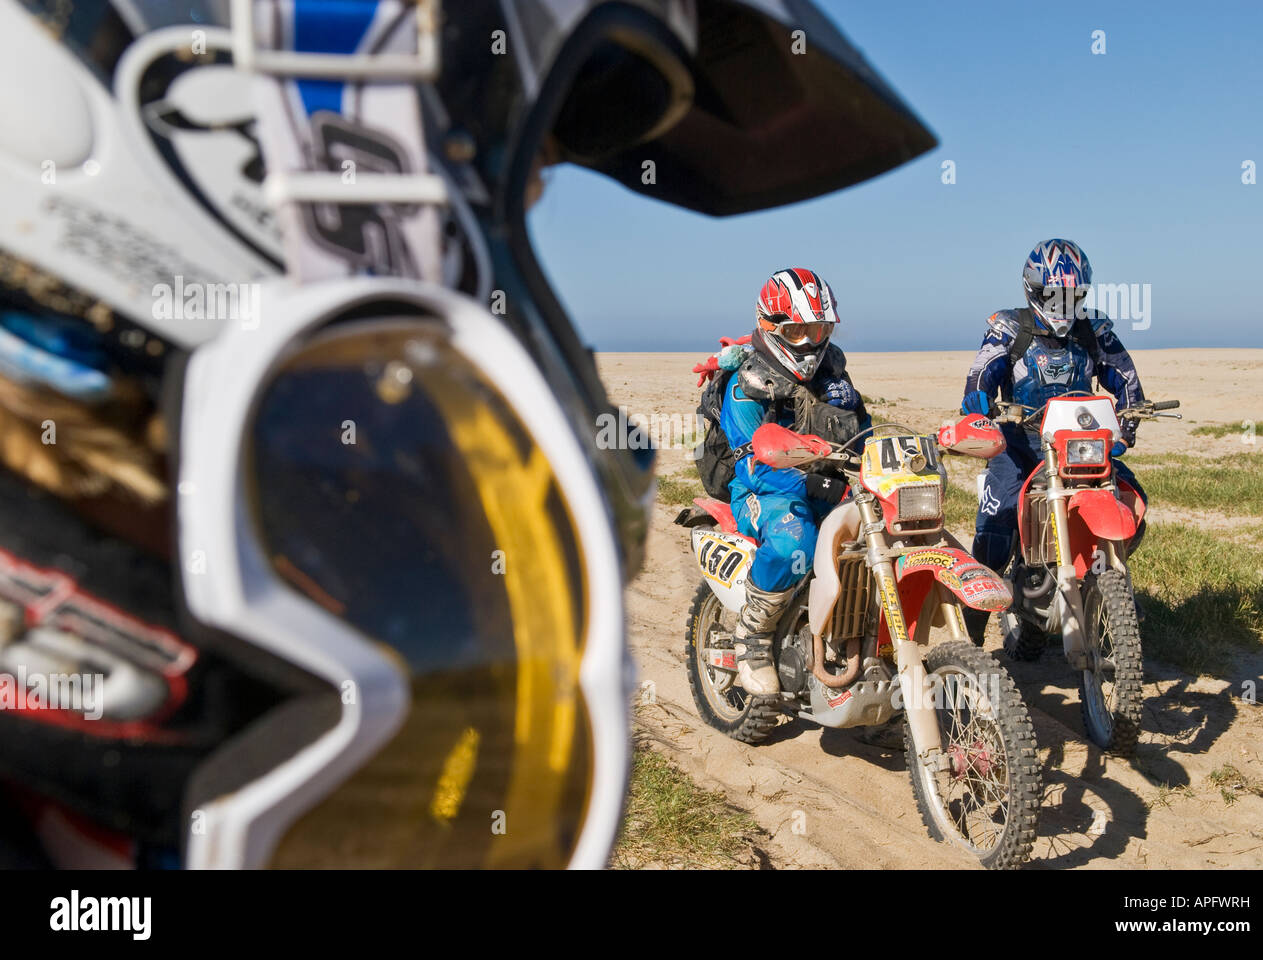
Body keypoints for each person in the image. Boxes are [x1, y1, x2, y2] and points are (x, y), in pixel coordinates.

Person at [0, 1, 937, 866]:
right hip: (764, 494)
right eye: (512, 185)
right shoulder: (745, 372)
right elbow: (740, 436)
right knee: (780, 541)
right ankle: (753, 652)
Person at [959, 239, 1148, 642]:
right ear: (1033, 290)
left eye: (1071, 296)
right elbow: (980, 376)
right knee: (998, 524)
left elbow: (1126, 379)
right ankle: (970, 631)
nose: (1062, 305)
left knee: (1133, 499)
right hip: (1020, 444)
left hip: (1082, 444)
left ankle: (1099, 585)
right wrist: (978, 413)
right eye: (1053, 295)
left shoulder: (1094, 332)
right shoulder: (1010, 328)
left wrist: (1130, 419)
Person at [721, 269, 872, 696]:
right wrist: (811, 487)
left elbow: (865, 432)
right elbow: (751, 464)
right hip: (759, 490)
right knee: (795, 539)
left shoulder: (835, 380)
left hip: (832, 484)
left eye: (819, 329)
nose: (810, 341)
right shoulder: (744, 389)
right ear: (770, 327)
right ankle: (752, 637)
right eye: (798, 330)